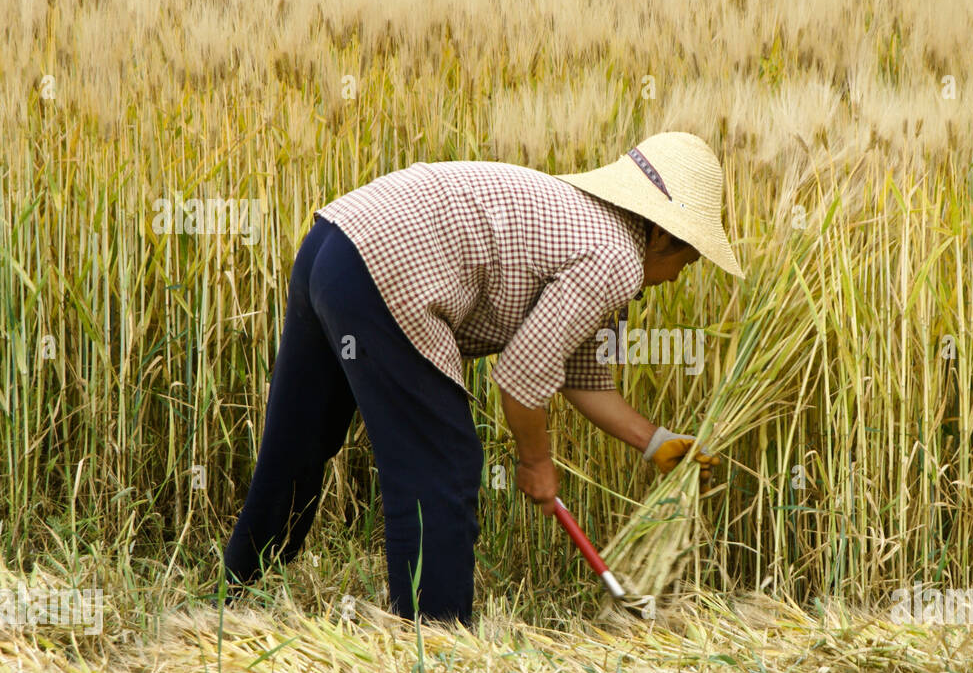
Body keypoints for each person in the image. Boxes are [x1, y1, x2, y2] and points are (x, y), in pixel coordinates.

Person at [220, 131, 745, 624]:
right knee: (443, 467)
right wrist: (535, 463)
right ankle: (437, 649)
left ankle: (231, 604)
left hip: (334, 244)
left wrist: (656, 443)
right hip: (391, 263)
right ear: (659, 233)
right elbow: (520, 376)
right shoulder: (614, 257)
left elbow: (582, 378)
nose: (680, 274)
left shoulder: (589, 228)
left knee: (298, 440)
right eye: (689, 257)